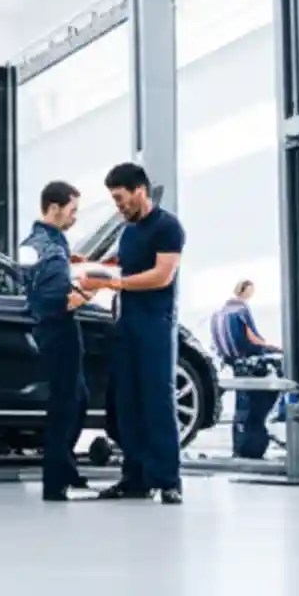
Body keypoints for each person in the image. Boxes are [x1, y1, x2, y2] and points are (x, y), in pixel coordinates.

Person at [81, 163, 186, 505]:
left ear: (139, 190)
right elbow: (118, 265)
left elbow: (161, 275)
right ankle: (135, 479)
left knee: (157, 399)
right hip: (126, 323)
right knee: (127, 403)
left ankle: (168, 480)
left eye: (120, 198)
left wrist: (114, 283)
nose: (118, 206)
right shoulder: (127, 231)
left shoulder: (168, 227)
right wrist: (82, 268)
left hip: (156, 323)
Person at [18, 180, 95, 501]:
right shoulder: (49, 248)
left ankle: (65, 467)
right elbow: (52, 298)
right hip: (57, 330)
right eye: (72, 210)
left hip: (49, 330)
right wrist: (86, 292)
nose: (75, 217)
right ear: (54, 207)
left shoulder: (39, 242)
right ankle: (55, 480)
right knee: (66, 404)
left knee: (77, 398)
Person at [210, 279, 284, 459]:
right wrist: (274, 347)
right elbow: (252, 337)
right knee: (260, 404)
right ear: (244, 291)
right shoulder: (241, 310)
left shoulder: (219, 313)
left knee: (243, 407)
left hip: (236, 365)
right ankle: (255, 444)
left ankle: (241, 446)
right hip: (252, 362)